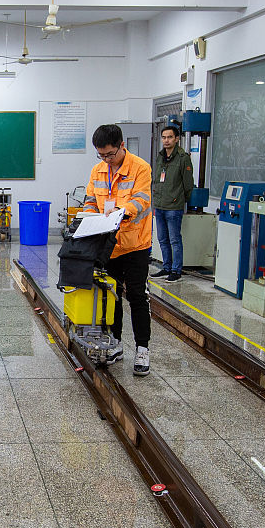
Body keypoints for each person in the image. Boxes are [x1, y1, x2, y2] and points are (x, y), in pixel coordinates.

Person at [81, 124, 154, 376]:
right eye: (101, 155)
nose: (106, 160)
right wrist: (91, 219)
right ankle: (116, 344)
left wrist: (123, 212)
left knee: (136, 296)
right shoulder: (98, 170)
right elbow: (91, 200)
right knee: (109, 297)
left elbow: (142, 201)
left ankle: (142, 349)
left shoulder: (141, 168)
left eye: (110, 155)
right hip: (108, 245)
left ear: (122, 146)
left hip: (135, 244)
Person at [151, 123, 195, 281]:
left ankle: (176, 270)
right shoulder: (160, 157)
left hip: (174, 206)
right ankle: (166, 267)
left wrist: (181, 200)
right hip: (160, 205)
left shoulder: (183, 158)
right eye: (164, 137)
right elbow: (156, 179)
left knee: (175, 239)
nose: (166, 140)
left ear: (177, 139)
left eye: (170, 137)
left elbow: (188, 184)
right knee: (162, 239)